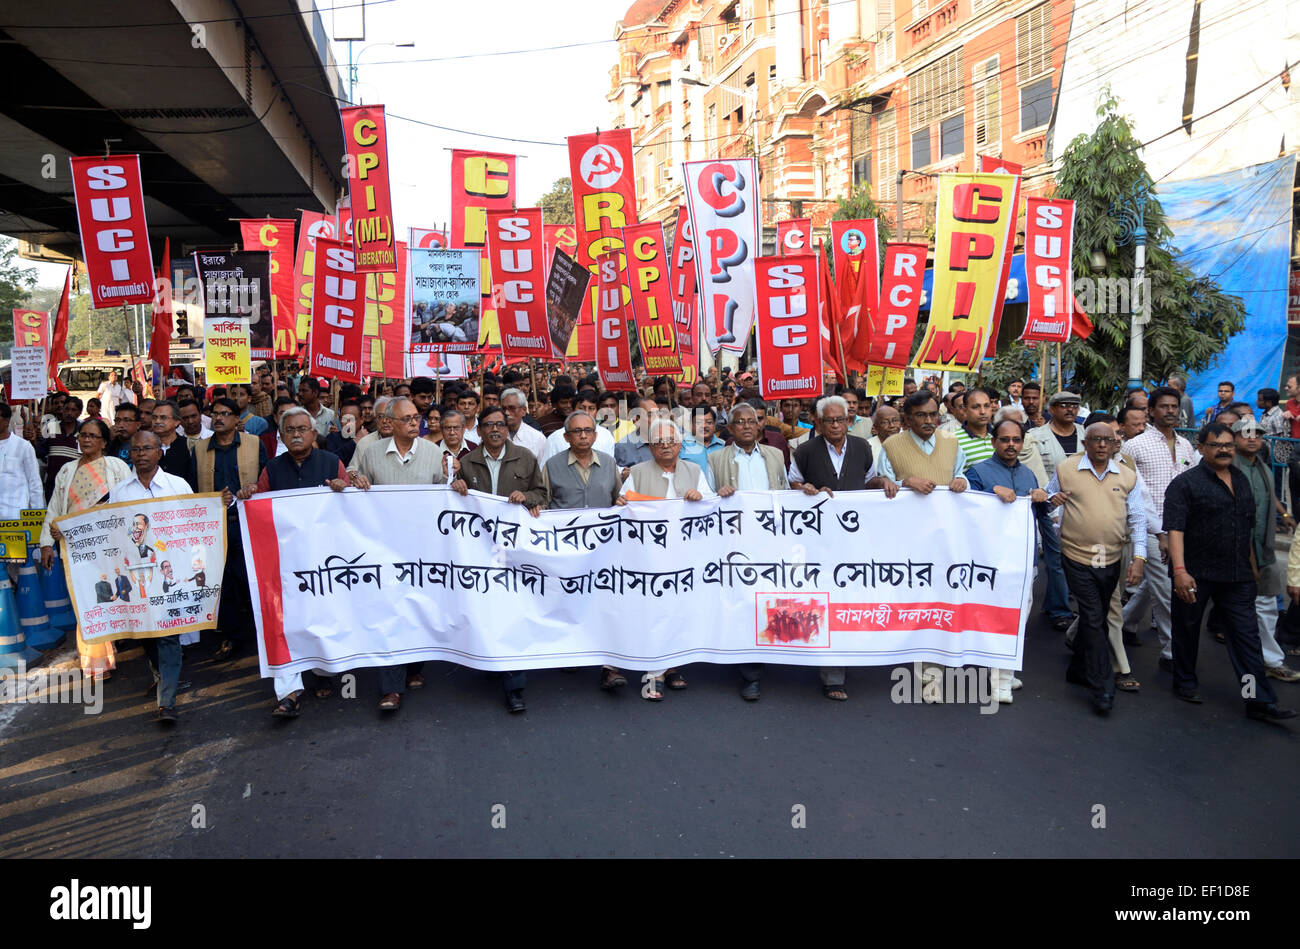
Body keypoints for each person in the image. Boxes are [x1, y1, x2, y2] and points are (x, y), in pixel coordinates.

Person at [1164, 423, 1295, 722]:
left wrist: (1251, 569)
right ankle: (1184, 682)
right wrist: (1181, 572)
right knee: (1187, 629)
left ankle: (1256, 699)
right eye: (1216, 445)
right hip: (1196, 573)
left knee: (1246, 638)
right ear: (1201, 448)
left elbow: (1245, 528)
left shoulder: (1241, 479)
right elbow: (1175, 529)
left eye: (1228, 445)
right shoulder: (1185, 484)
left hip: (1236, 576)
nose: (1224, 450)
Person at [245, 406, 351, 717]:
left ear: (314, 433)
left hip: (325, 564)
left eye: (301, 429)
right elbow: (259, 508)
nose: (295, 435)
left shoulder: (332, 463)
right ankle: (288, 692)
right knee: (283, 622)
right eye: (289, 431)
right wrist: (248, 495)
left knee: (323, 617)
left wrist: (344, 490)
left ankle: (324, 671)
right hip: (285, 564)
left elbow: (352, 512)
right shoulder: (273, 469)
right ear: (280, 436)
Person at [791, 396, 898, 700]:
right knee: (826, 600)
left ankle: (851, 652)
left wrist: (883, 483)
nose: (836, 425)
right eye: (830, 421)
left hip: (855, 540)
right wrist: (806, 490)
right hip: (819, 540)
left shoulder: (863, 447)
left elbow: (869, 480)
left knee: (851, 598)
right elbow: (793, 484)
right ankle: (832, 674)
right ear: (819, 422)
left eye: (842, 420)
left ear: (850, 421)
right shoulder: (805, 451)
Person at [349, 398, 448, 712]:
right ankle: (391, 688)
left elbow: (442, 498)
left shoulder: (434, 454)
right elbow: (354, 481)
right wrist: (356, 481)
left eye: (416, 417)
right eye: (407, 418)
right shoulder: (372, 453)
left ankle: (413, 667)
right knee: (390, 614)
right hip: (384, 551)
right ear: (389, 423)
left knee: (417, 608)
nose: (414, 423)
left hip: (422, 551)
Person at [1046, 423, 1147, 715]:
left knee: (1099, 617)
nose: (1102, 445)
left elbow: (1138, 519)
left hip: (1112, 558)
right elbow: (1048, 500)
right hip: (1076, 556)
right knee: (1092, 616)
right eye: (1096, 440)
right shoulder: (1067, 468)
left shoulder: (1127, 475)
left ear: (1115, 444)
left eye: (1108, 440)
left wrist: (1139, 558)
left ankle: (1077, 669)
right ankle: (1102, 686)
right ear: (1086, 443)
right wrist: (1052, 501)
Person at [450, 406, 545, 714]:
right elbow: (451, 501)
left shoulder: (526, 458)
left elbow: (543, 495)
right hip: (477, 555)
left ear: (508, 429)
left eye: (500, 425)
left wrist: (527, 498)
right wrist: (455, 486)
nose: (494, 430)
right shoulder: (467, 463)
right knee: (485, 612)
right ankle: (487, 659)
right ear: (478, 431)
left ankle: (514, 687)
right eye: (488, 425)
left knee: (512, 615)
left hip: (515, 553)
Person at [616, 418, 714, 700]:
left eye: (670, 442)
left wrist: (700, 497)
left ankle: (673, 666)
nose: (665, 447)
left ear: (680, 445)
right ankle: (652, 674)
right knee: (652, 614)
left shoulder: (694, 470)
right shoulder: (637, 472)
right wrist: (622, 502)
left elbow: (711, 508)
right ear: (650, 448)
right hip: (649, 558)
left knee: (678, 611)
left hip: (684, 557)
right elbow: (623, 507)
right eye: (658, 443)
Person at [107, 430, 196, 723]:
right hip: (137, 577)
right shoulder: (120, 492)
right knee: (145, 634)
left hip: (170, 574)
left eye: (147, 448)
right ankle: (161, 674)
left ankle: (166, 702)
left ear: (160, 452)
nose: (141, 454)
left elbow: (197, 521)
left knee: (169, 636)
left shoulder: (177, 485)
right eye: (135, 449)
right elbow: (106, 528)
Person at [707, 403, 790, 701]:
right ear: (729, 429)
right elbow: (706, 500)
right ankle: (751, 673)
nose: (745, 426)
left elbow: (786, 493)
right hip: (736, 544)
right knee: (744, 603)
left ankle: (772, 654)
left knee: (769, 600)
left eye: (751, 421)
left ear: (760, 426)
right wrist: (717, 496)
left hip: (772, 542)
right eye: (739, 422)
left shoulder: (776, 455)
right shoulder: (715, 459)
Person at [966, 418, 1052, 702]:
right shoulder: (978, 472)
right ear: (994, 442)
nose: (1011, 445)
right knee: (993, 617)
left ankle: (1003, 669)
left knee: (1018, 618)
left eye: (1016, 439)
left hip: (1022, 561)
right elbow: (962, 505)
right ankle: (1001, 679)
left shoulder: (1029, 474)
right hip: (987, 560)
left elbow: (1040, 518)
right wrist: (989, 493)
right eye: (1005, 440)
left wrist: (1045, 499)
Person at [40, 419, 132, 680]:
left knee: (104, 598)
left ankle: (104, 651)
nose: (86, 440)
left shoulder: (116, 467)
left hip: (108, 546)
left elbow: (127, 504)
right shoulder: (67, 471)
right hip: (73, 548)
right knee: (85, 602)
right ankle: (96, 659)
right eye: (83, 435)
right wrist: (47, 541)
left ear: (104, 442)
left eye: (93, 436)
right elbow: (55, 508)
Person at [542, 409, 625, 691]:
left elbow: (619, 499)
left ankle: (609, 666)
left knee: (606, 604)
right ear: (566, 437)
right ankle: (572, 651)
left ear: (595, 434)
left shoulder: (609, 463)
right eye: (577, 431)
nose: (583, 436)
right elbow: (543, 504)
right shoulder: (552, 466)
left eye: (588, 430)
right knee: (570, 602)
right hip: (566, 551)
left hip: (603, 550)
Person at [1121, 386, 1198, 665]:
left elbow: (1191, 488)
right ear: (1150, 411)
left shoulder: (1186, 446)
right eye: (1163, 407)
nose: (1170, 411)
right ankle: (1171, 653)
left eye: (1174, 407)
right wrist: (1160, 532)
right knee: (1168, 589)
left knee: (1151, 585)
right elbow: (1135, 494)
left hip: (1181, 528)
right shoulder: (1134, 446)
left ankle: (1121, 623)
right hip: (1150, 529)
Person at [192, 397, 268, 663]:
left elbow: (265, 481)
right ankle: (233, 637)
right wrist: (213, 500)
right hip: (214, 527)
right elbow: (193, 490)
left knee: (251, 581)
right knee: (222, 584)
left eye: (225, 413)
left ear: (238, 420)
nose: (218, 418)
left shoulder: (255, 444)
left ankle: (262, 633)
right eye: (214, 413)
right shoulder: (200, 449)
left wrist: (254, 489)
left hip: (247, 525)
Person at [1229, 418, 1300, 683]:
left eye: (1256, 435)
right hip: (1233, 551)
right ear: (1235, 438)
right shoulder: (1228, 467)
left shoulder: (1263, 468)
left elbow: (1268, 497)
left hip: (1264, 549)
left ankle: (1270, 660)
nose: (1252, 439)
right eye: (1245, 434)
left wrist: (1284, 514)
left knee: (1267, 604)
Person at [540, 390, 613, 464]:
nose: (586, 413)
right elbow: (546, 469)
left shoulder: (606, 435)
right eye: (581, 408)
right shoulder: (555, 438)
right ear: (573, 410)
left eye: (591, 408)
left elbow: (609, 466)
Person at [679, 406, 727, 487]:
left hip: (720, 497)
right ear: (691, 424)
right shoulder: (681, 446)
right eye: (698, 422)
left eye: (709, 422)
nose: (704, 426)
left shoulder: (723, 446)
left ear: (714, 425)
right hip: (691, 496)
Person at [151, 400, 193, 484]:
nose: (157, 421)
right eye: (154, 417)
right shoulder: (146, 447)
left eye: (163, 418)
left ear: (177, 421)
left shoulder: (190, 446)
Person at [954, 387, 997, 471]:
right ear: (965, 410)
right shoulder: (954, 439)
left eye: (986, 406)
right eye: (976, 407)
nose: (983, 412)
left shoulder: (999, 436)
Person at [502, 387, 547, 460]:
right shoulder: (495, 436)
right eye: (504, 409)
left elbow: (541, 468)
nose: (506, 413)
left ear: (523, 410)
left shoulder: (537, 439)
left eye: (512, 408)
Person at [324, 402, 361, 467]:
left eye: (351, 419)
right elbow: (331, 462)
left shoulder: (368, 437)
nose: (347, 423)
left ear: (362, 420)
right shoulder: (332, 438)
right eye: (344, 419)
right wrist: (353, 442)